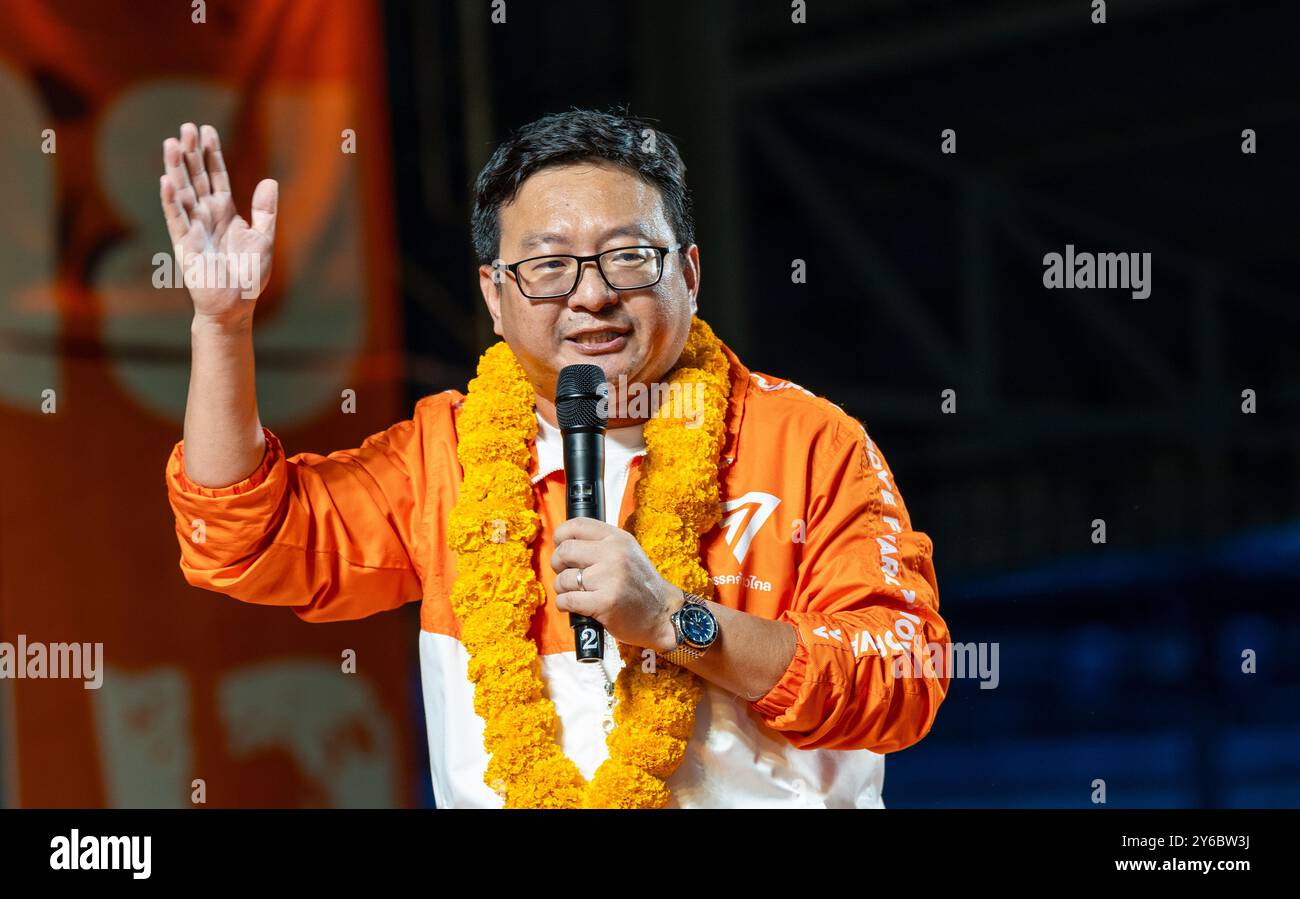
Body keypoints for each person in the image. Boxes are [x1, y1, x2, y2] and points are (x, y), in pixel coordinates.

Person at [161, 108, 951, 809]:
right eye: (547, 266)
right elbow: (244, 537)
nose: (592, 295)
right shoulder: (449, 455)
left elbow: (904, 679)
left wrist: (677, 621)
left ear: (690, 273)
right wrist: (222, 327)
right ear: (495, 298)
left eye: (629, 256)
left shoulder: (806, 441)